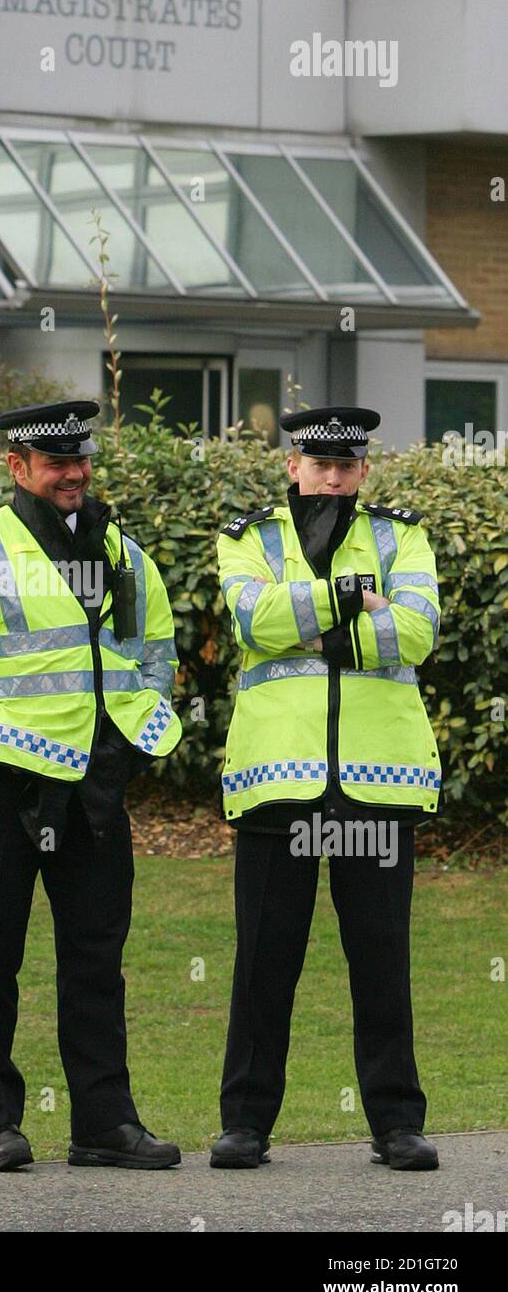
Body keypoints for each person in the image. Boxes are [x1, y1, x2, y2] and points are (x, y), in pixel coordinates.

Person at [0, 400, 183, 1170]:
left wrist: (131, 741)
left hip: (93, 792)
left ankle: (103, 1124)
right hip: (2, 796)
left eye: (81, 460)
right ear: (18, 468)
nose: (74, 474)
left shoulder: (122, 553)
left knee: (96, 962)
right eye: (56, 462)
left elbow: (155, 653)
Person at [211, 406, 441, 1172]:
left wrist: (311, 618)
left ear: (363, 471)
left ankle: (395, 1124)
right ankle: (243, 1123)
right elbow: (252, 621)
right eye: (319, 463)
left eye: (346, 465)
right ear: (292, 466)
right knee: (263, 961)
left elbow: (416, 632)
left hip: (377, 782)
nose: (333, 477)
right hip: (280, 779)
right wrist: (356, 599)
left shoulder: (401, 536)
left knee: (381, 960)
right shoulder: (248, 539)